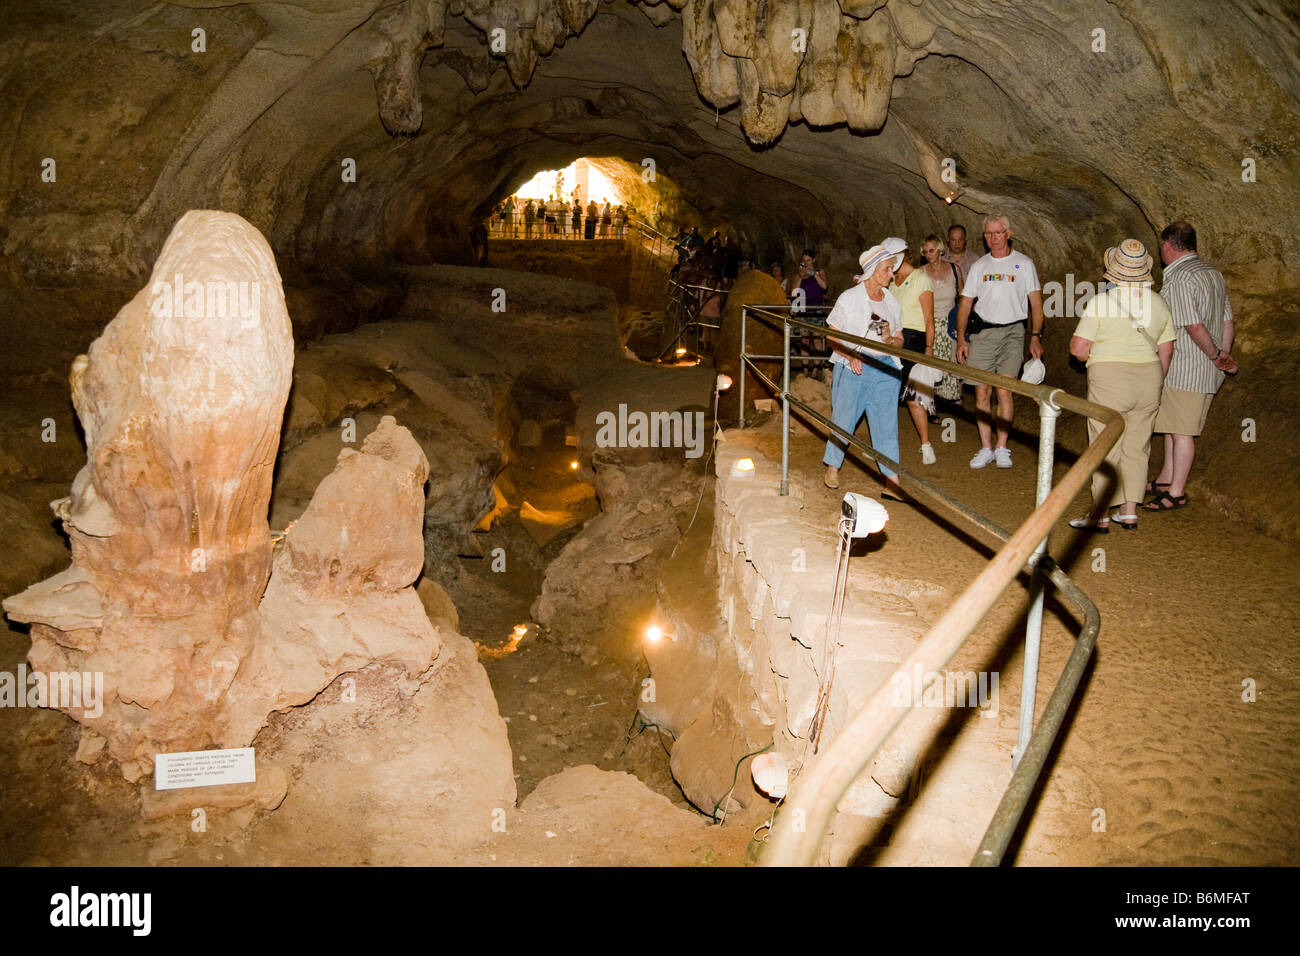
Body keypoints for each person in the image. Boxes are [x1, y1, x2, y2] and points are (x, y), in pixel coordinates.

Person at [1067, 239, 1175, 531]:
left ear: (1113, 269)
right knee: (1137, 446)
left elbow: (1078, 348)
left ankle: (1100, 515)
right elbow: (1166, 350)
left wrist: (1100, 361)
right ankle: (1128, 512)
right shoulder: (1159, 302)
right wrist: (1153, 380)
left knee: (1105, 444)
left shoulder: (1102, 302)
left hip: (1110, 379)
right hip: (1149, 378)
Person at [1144, 222, 1238, 511]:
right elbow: (1227, 320)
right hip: (1202, 366)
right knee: (1173, 425)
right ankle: (1165, 479)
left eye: (1162, 247)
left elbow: (1193, 325)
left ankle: (1176, 492)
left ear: (1169, 246)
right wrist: (1223, 353)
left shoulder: (1180, 277)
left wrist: (1213, 355)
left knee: (1183, 431)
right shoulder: (1213, 274)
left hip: (1188, 365)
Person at [955, 213, 1045, 469]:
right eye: (988, 234)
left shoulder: (1024, 264)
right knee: (982, 391)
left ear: (1009, 233)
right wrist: (962, 337)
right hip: (983, 333)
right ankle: (986, 447)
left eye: (997, 233)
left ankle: (1002, 446)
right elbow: (966, 303)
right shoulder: (980, 266)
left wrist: (1036, 336)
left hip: (1013, 332)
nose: (992, 238)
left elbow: (1036, 304)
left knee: (1004, 390)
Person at [822, 238, 908, 501]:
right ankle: (833, 467)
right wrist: (850, 354)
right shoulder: (850, 298)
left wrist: (892, 340)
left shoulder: (891, 301)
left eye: (892, 269)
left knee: (886, 423)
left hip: (885, 368)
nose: (892, 275)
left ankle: (891, 481)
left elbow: (899, 337)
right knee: (845, 418)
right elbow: (831, 335)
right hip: (855, 366)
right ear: (872, 271)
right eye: (887, 269)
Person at [891, 250, 938, 464]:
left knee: (913, 396)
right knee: (888, 392)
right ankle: (885, 445)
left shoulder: (921, 279)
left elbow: (929, 317)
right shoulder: (892, 282)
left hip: (915, 339)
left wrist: (929, 348)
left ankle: (926, 444)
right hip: (895, 339)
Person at [921, 233, 963, 404]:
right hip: (930, 324)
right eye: (925, 252)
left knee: (951, 364)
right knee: (932, 365)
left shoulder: (954, 269)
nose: (929, 255)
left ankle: (951, 400)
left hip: (951, 324)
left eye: (932, 250)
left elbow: (964, 297)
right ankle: (933, 404)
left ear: (940, 250)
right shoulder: (921, 273)